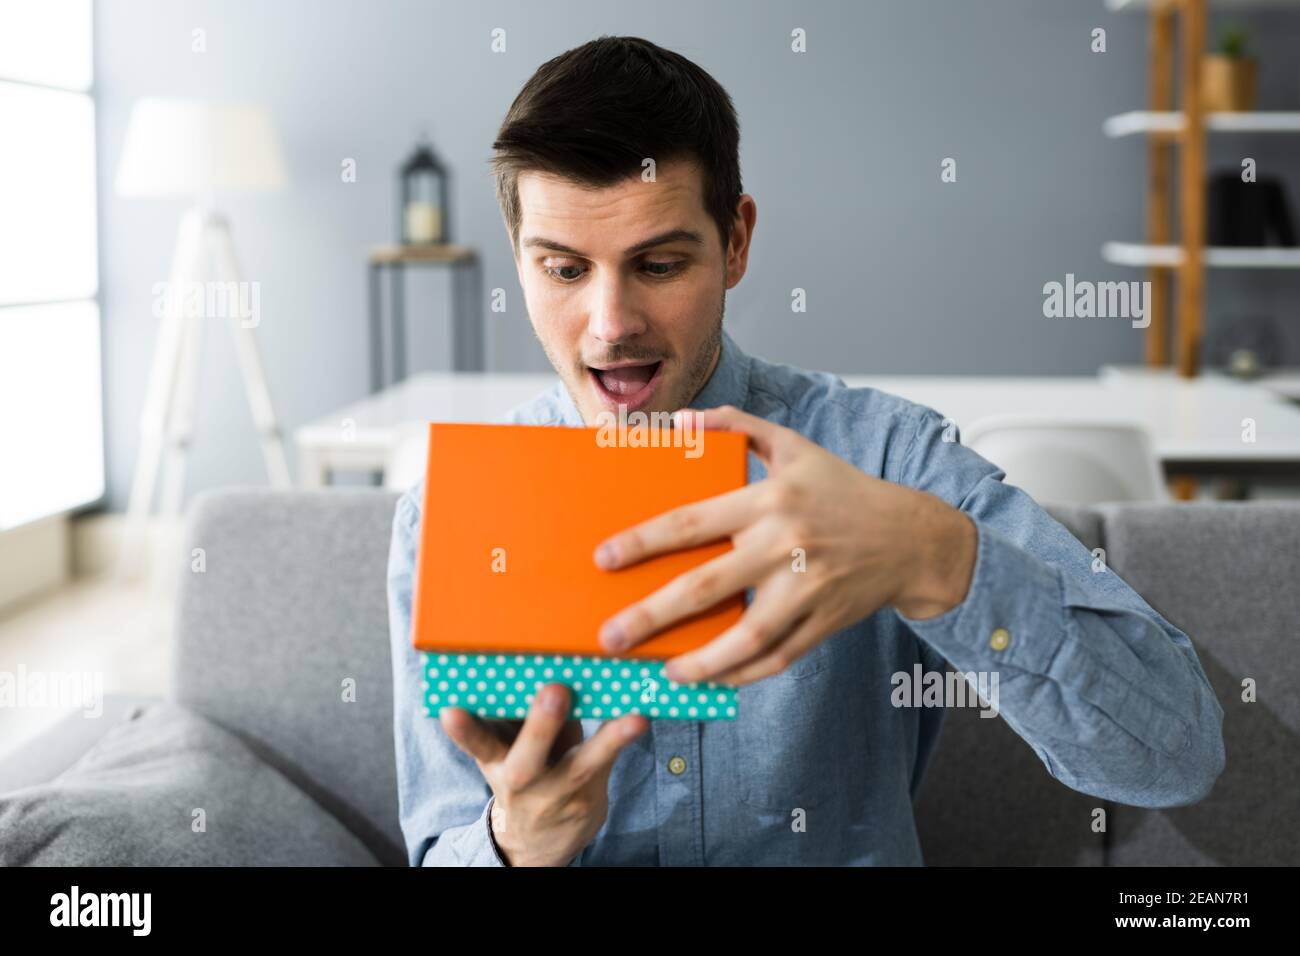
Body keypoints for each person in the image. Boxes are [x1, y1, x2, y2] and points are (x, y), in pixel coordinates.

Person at [386, 35, 1225, 866]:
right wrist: (518, 842)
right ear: (521, 263)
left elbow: (1177, 754)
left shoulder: (884, 457)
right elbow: (441, 846)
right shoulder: (457, 511)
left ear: (737, 243)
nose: (611, 325)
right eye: (565, 270)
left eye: (660, 263)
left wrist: (938, 558)